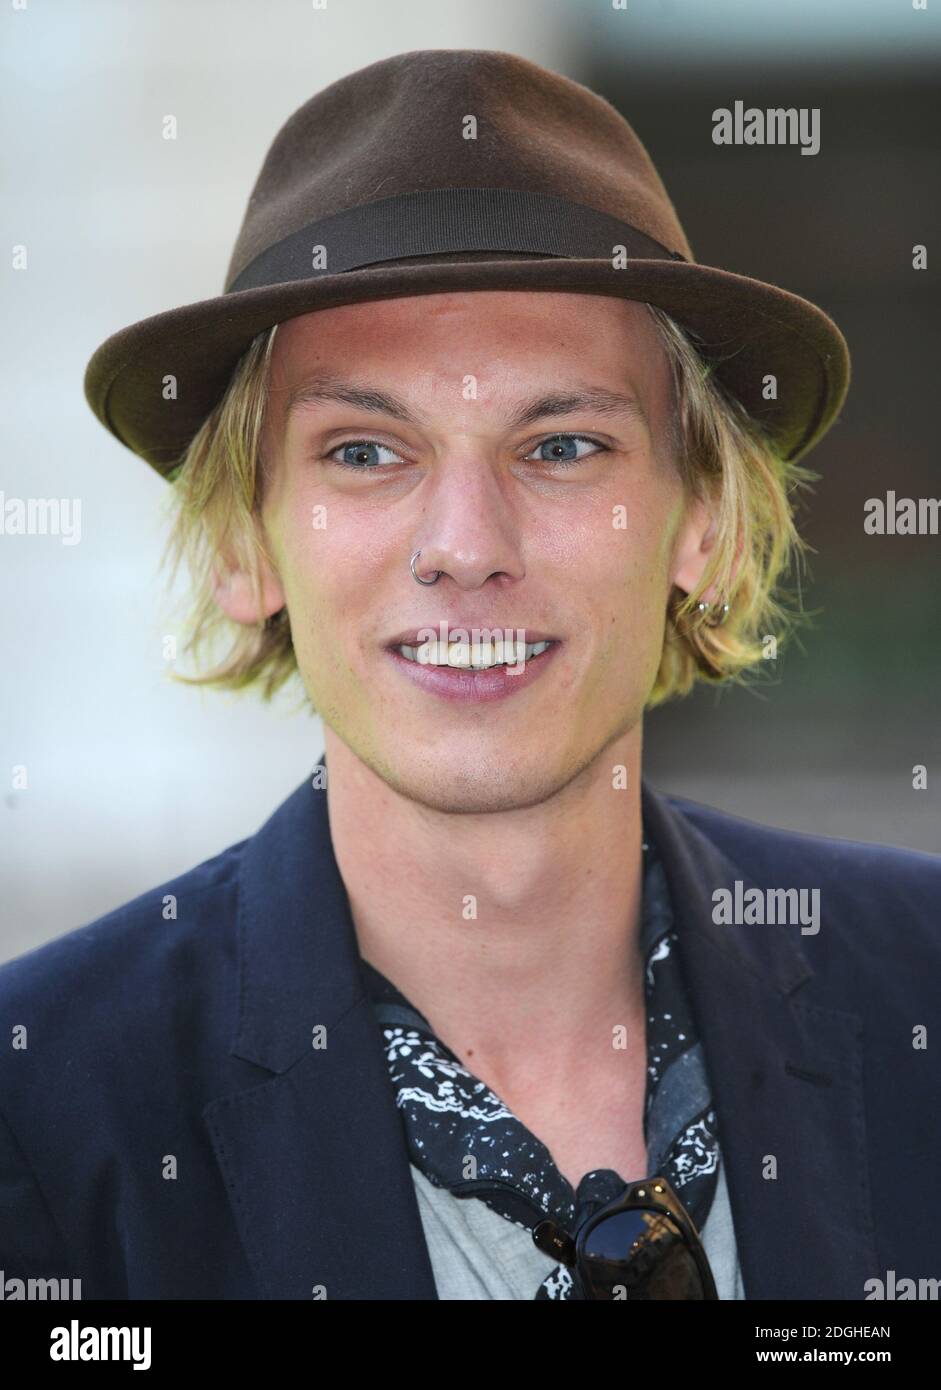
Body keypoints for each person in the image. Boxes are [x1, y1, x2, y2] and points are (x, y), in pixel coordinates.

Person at [1, 48, 938, 1302]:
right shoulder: (43, 1105)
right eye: (365, 450)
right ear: (242, 542)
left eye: (559, 445)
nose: (464, 547)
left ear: (702, 520)